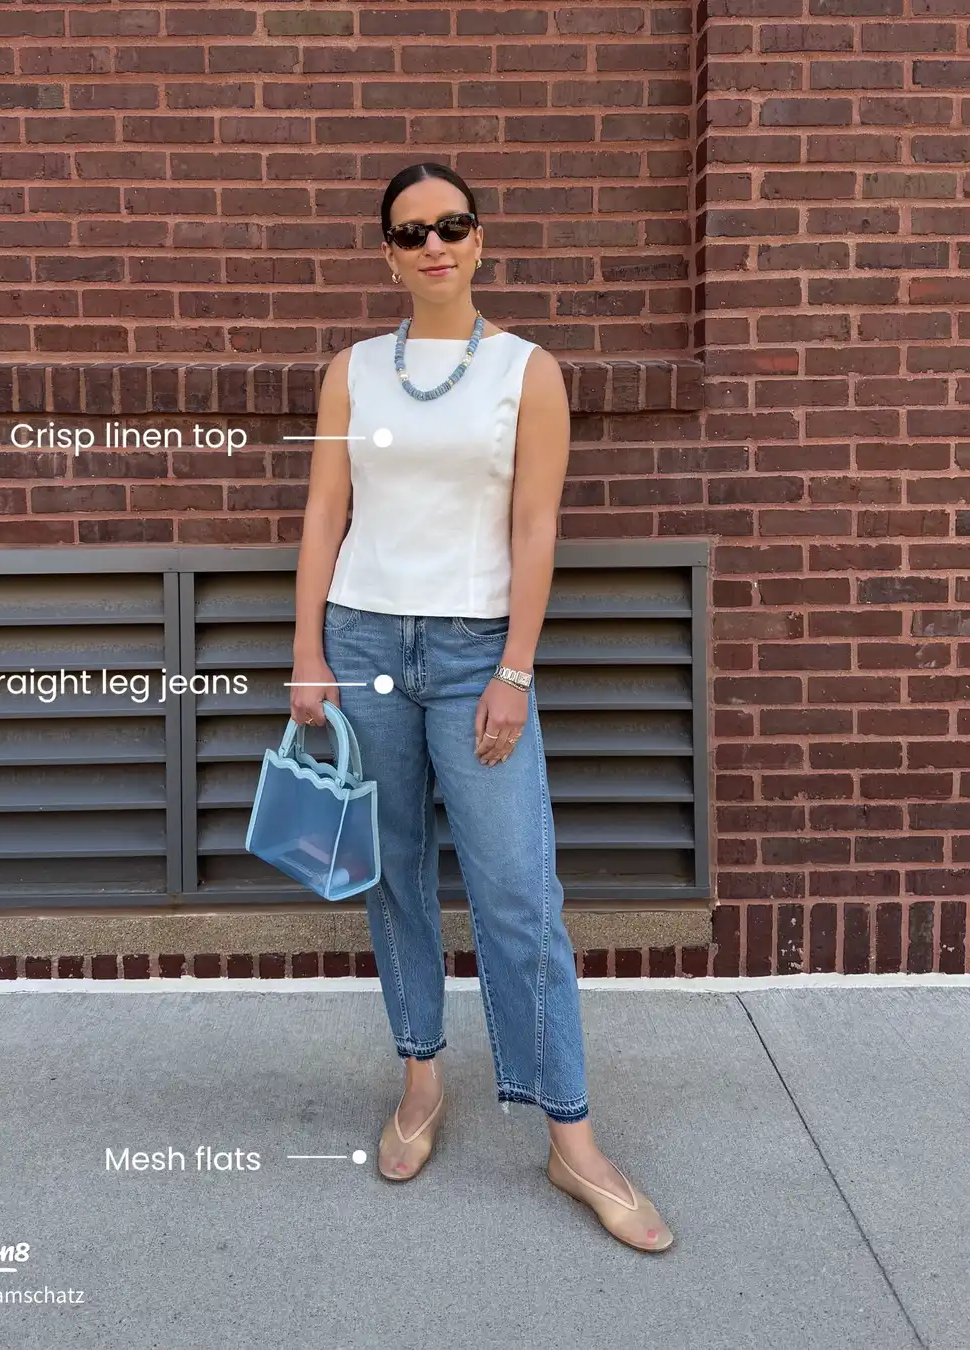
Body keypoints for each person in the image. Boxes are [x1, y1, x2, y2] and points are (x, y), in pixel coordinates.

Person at [288, 161, 673, 1253]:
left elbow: (536, 529)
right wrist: (305, 648)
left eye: (452, 225)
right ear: (389, 254)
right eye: (412, 233)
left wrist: (514, 669)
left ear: (481, 238)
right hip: (362, 645)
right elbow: (326, 509)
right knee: (396, 879)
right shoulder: (352, 371)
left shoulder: (527, 372)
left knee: (517, 893)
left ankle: (571, 1137)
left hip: (471, 657)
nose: (434, 245)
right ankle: (421, 1082)